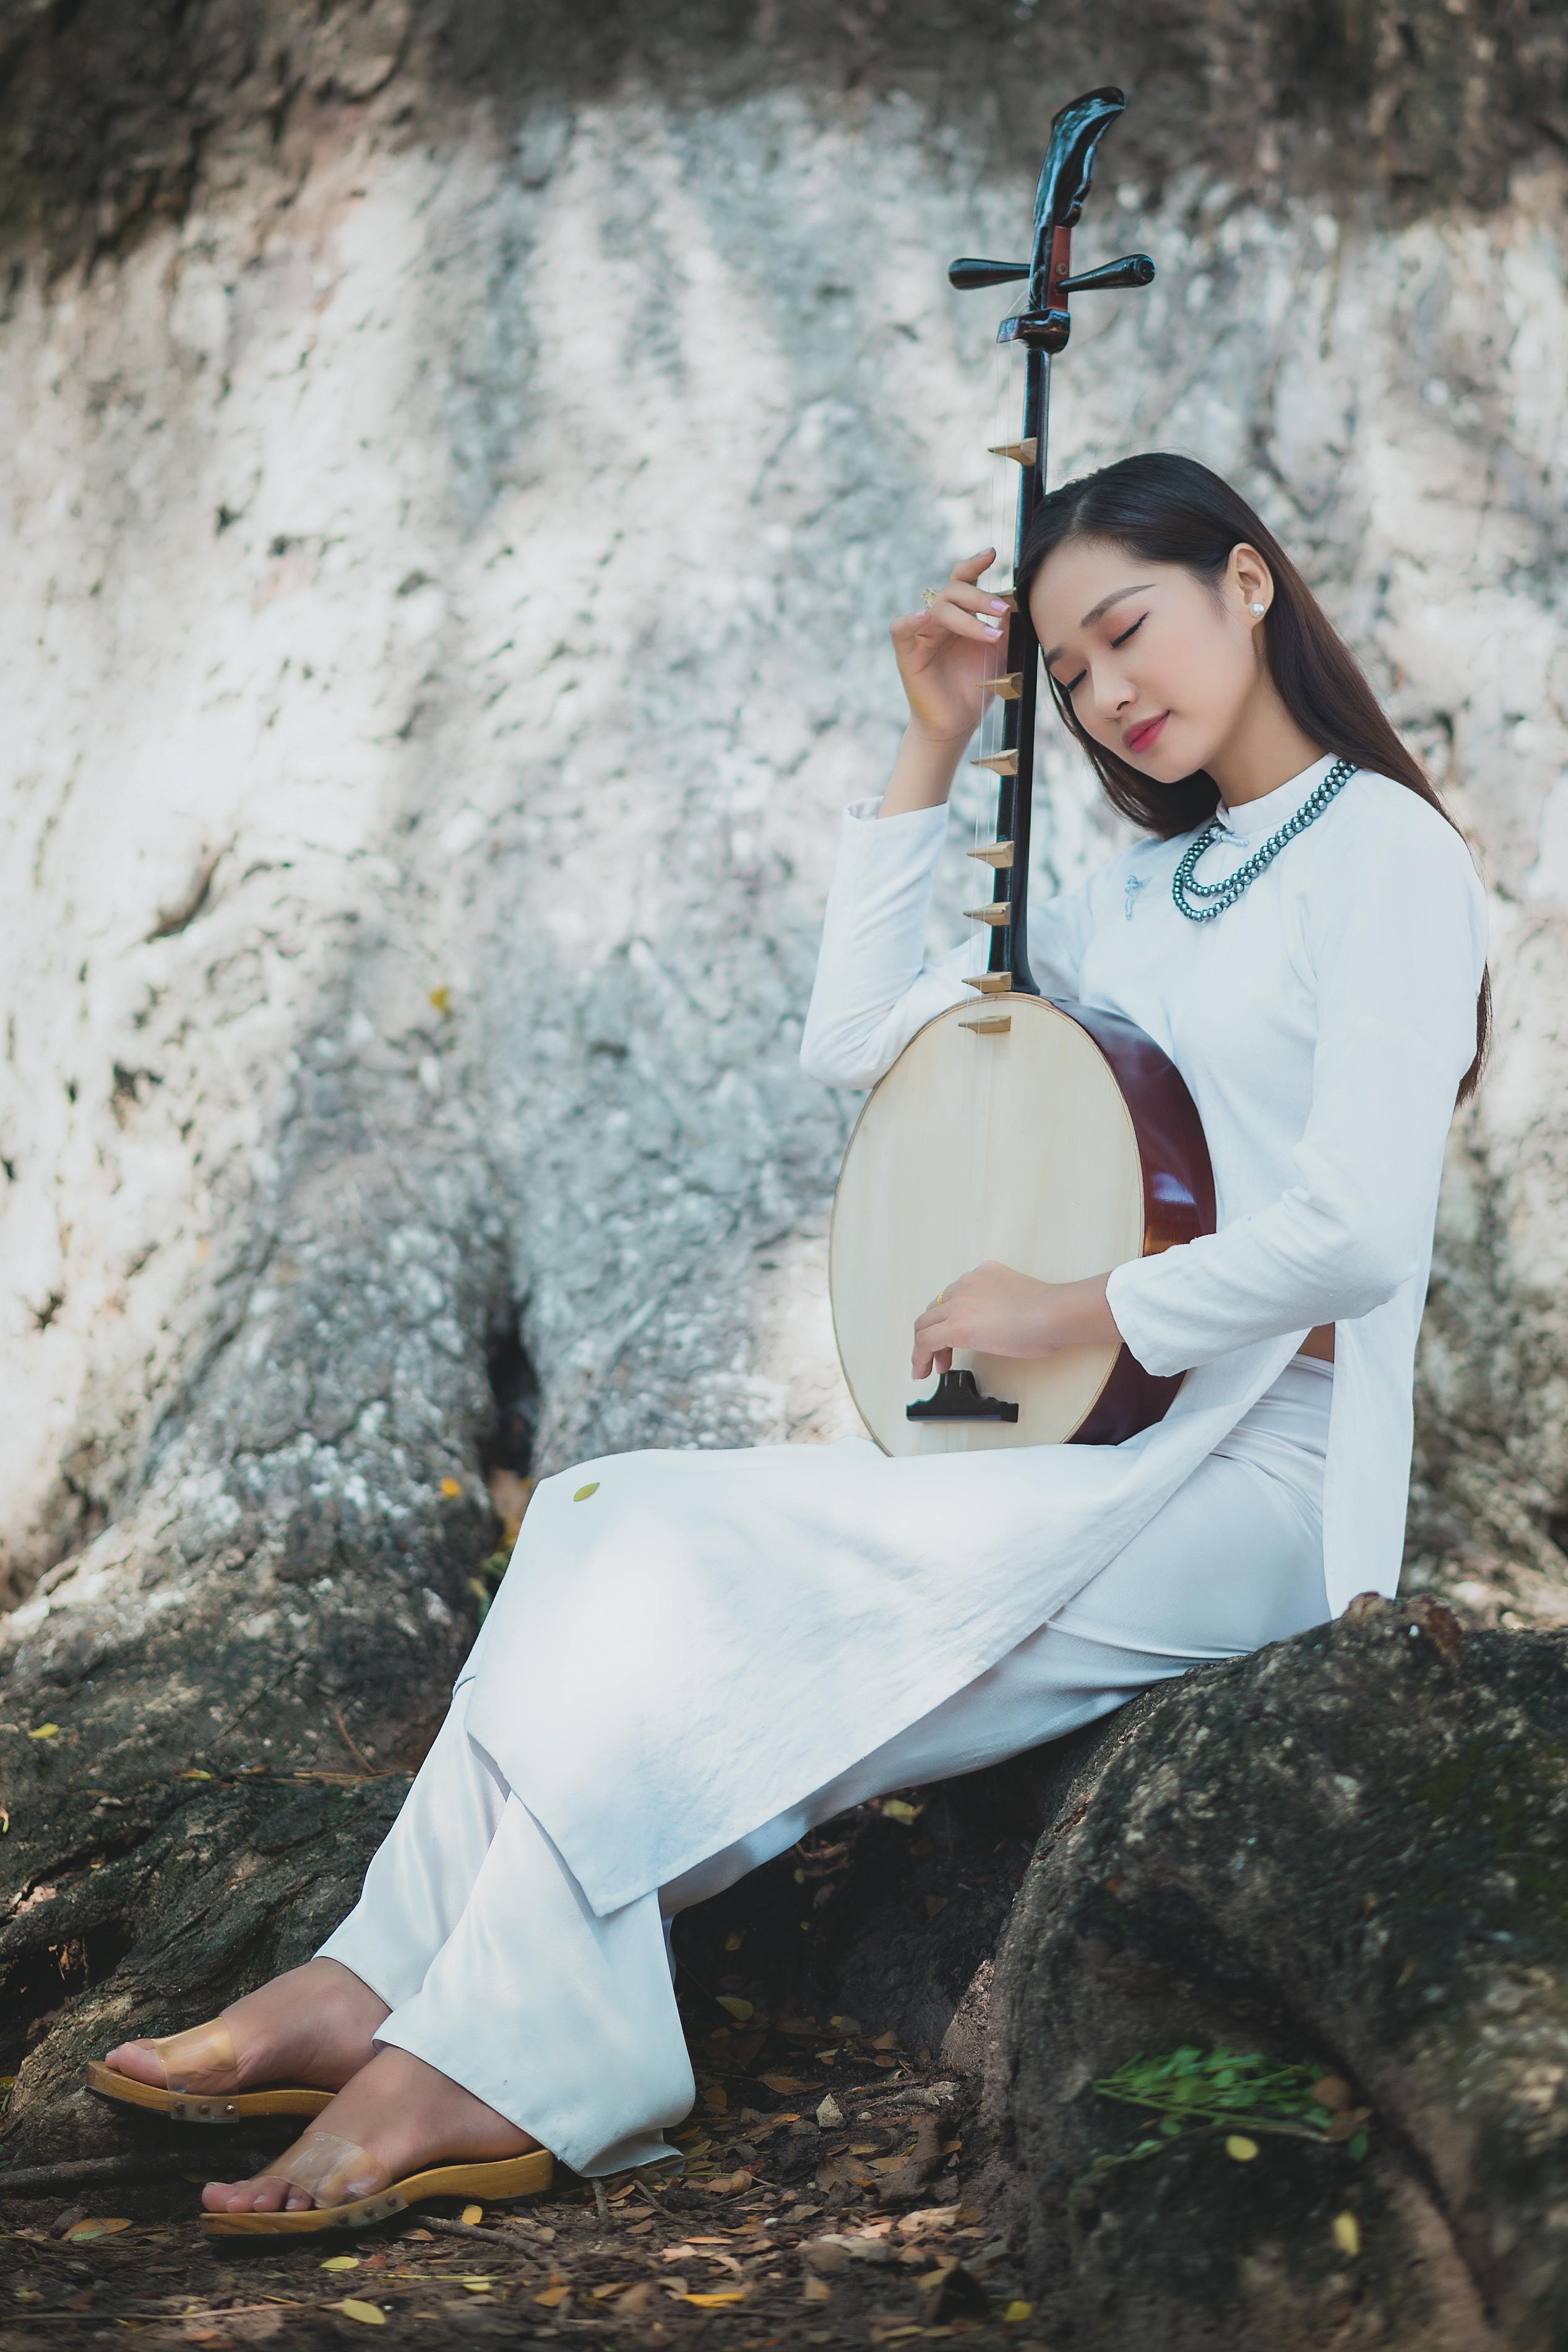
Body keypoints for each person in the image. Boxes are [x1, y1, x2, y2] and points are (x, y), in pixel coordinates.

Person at [89, 452, 1490, 2231]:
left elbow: (1358, 1236)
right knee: (604, 1514)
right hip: (1121, 1444)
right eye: (1063, 673)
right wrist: (931, 738)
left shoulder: (1386, 853)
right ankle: (401, 1986)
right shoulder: (1156, 891)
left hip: (1270, 1484)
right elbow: (866, 1039)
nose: (1105, 693)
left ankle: (463, 2048)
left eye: (1124, 629)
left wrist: (1061, 1309)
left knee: (718, 1612)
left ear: (1251, 583)